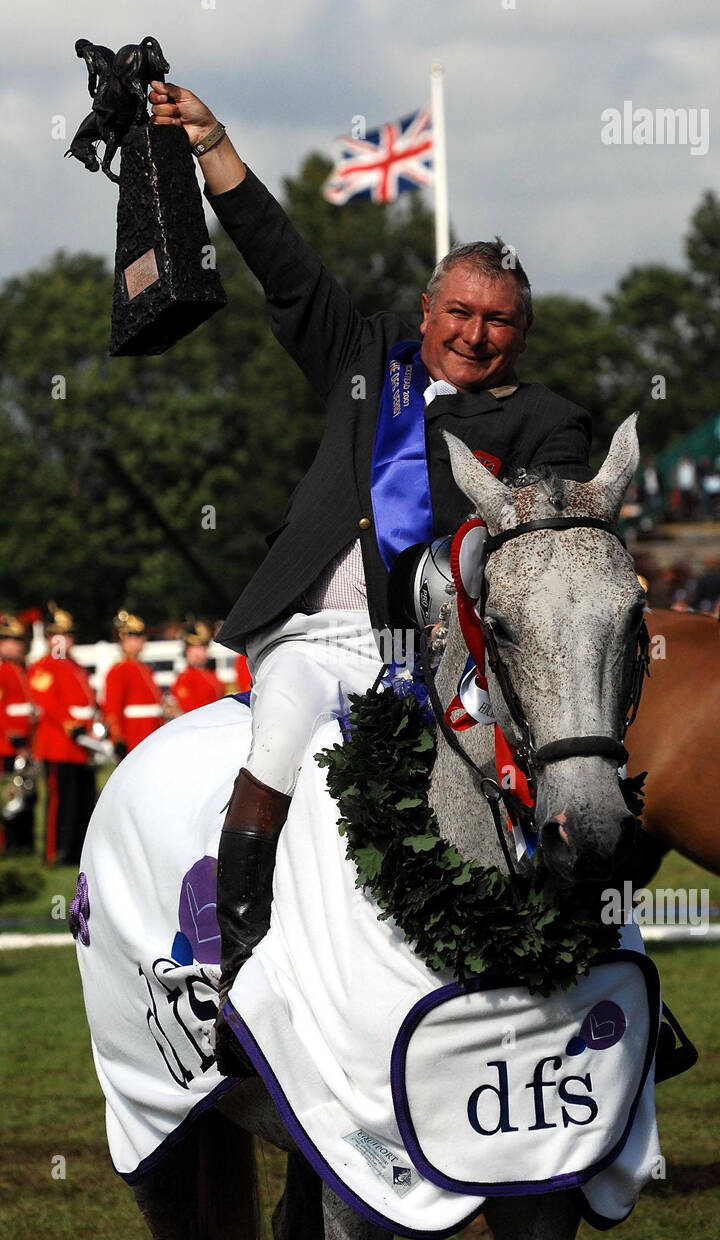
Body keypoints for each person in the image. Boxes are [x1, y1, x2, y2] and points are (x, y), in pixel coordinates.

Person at [150, 81, 595, 1074]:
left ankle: (587, 990)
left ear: (523, 331)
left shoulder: (549, 422)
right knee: (280, 729)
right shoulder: (367, 359)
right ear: (428, 308)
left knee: (561, 782)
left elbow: (549, 550)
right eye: (461, 312)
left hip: (449, 654)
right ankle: (235, 971)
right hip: (319, 638)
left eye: (501, 322)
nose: (476, 336)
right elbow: (286, 264)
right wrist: (212, 140)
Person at [28, 606, 97, 866]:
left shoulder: (75, 665)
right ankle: (54, 852)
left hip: (81, 745)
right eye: (59, 635)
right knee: (60, 801)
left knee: (82, 800)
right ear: (49, 638)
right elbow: (47, 702)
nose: (65, 640)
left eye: (68, 635)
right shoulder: (43, 666)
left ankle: (76, 850)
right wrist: (70, 724)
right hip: (59, 743)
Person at [102, 611, 164, 759]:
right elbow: (112, 708)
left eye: (141, 635)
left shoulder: (145, 668)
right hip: (134, 735)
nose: (139, 640)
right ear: (122, 639)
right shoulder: (119, 670)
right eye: (133, 636)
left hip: (151, 731)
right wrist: (118, 738)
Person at [0, 613, 37, 854]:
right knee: (10, 793)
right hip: (7, 743)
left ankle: (24, 843)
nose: (15, 645)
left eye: (18, 640)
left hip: (28, 742)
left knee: (28, 793)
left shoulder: (23, 669)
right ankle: (9, 843)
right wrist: (12, 736)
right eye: (9, 640)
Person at [169, 619, 226, 714]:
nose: (201, 652)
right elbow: (190, 712)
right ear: (187, 650)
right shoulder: (185, 679)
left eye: (204, 647)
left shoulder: (211, 675)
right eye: (196, 647)